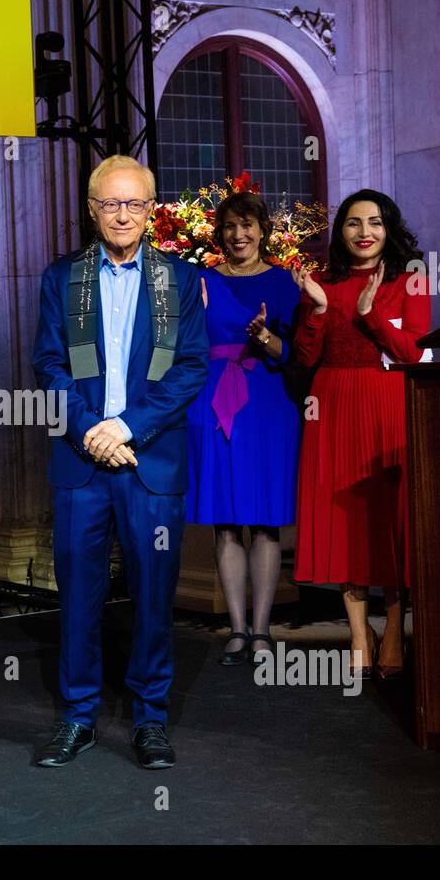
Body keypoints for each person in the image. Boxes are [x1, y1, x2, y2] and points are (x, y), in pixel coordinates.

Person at [31, 155, 208, 769]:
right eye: (111, 203)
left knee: (155, 595)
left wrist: (128, 427)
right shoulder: (63, 278)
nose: (123, 214)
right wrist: (90, 431)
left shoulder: (180, 282)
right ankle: (78, 716)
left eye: (135, 203)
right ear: (92, 209)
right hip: (82, 465)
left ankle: (150, 719)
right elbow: (49, 365)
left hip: (150, 461)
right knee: (79, 594)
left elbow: (191, 368)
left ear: (152, 210)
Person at [290, 189, 430, 679]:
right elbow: (305, 359)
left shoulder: (409, 281)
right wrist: (319, 310)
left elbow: (414, 353)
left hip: (388, 404)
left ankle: (393, 629)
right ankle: (357, 634)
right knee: (346, 522)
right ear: (341, 231)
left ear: (388, 229)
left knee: (386, 520)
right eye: (353, 223)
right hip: (332, 406)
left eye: (374, 222)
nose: (363, 232)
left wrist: (371, 317)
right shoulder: (322, 282)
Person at [186, 192, 301, 665]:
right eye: (231, 226)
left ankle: (262, 629)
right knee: (227, 522)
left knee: (267, 523)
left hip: (268, 406)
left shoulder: (284, 283)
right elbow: (184, 344)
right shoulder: (201, 281)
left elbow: (296, 354)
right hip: (213, 403)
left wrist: (265, 337)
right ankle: (236, 628)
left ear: (262, 230)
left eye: (248, 225)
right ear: (221, 233)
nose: (239, 235)